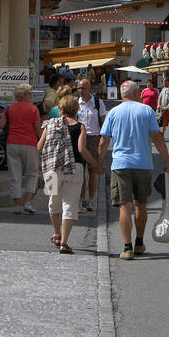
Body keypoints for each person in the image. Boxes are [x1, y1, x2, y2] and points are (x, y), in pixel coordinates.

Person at [100, 80, 169, 260]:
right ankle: (139, 243)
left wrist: (99, 161)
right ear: (136, 93)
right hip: (143, 163)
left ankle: (127, 247)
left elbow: (104, 141)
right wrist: (167, 160)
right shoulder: (146, 111)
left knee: (124, 206)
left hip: (121, 165)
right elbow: (157, 137)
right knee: (141, 204)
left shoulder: (113, 112)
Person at [39, 94, 99, 254]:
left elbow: (39, 147)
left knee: (53, 202)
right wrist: (95, 164)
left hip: (51, 169)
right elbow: (82, 150)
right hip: (73, 167)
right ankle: (64, 242)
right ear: (76, 109)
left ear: (61, 109)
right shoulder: (80, 126)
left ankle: (57, 233)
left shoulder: (49, 124)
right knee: (69, 205)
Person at [2, 82, 43, 214]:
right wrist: (43, 141)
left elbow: (0, 124)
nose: (31, 96)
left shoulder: (9, 108)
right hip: (29, 143)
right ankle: (28, 202)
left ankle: (17, 205)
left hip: (12, 143)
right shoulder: (33, 109)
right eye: (30, 93)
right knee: (32, 173)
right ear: (25, 95)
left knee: (15, 175)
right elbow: (37, 128)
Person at [76, 78, 107, 213]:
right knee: (80, 171)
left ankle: (91, 200)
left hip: (94, 138)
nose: (80, 91)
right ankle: (82, 200)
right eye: (79, 88)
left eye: (83, 88)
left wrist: (103, 140)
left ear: (90, 89)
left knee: (93, 170)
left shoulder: (98, 103)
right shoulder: (76, 103)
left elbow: (104, 123)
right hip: (79, 138)